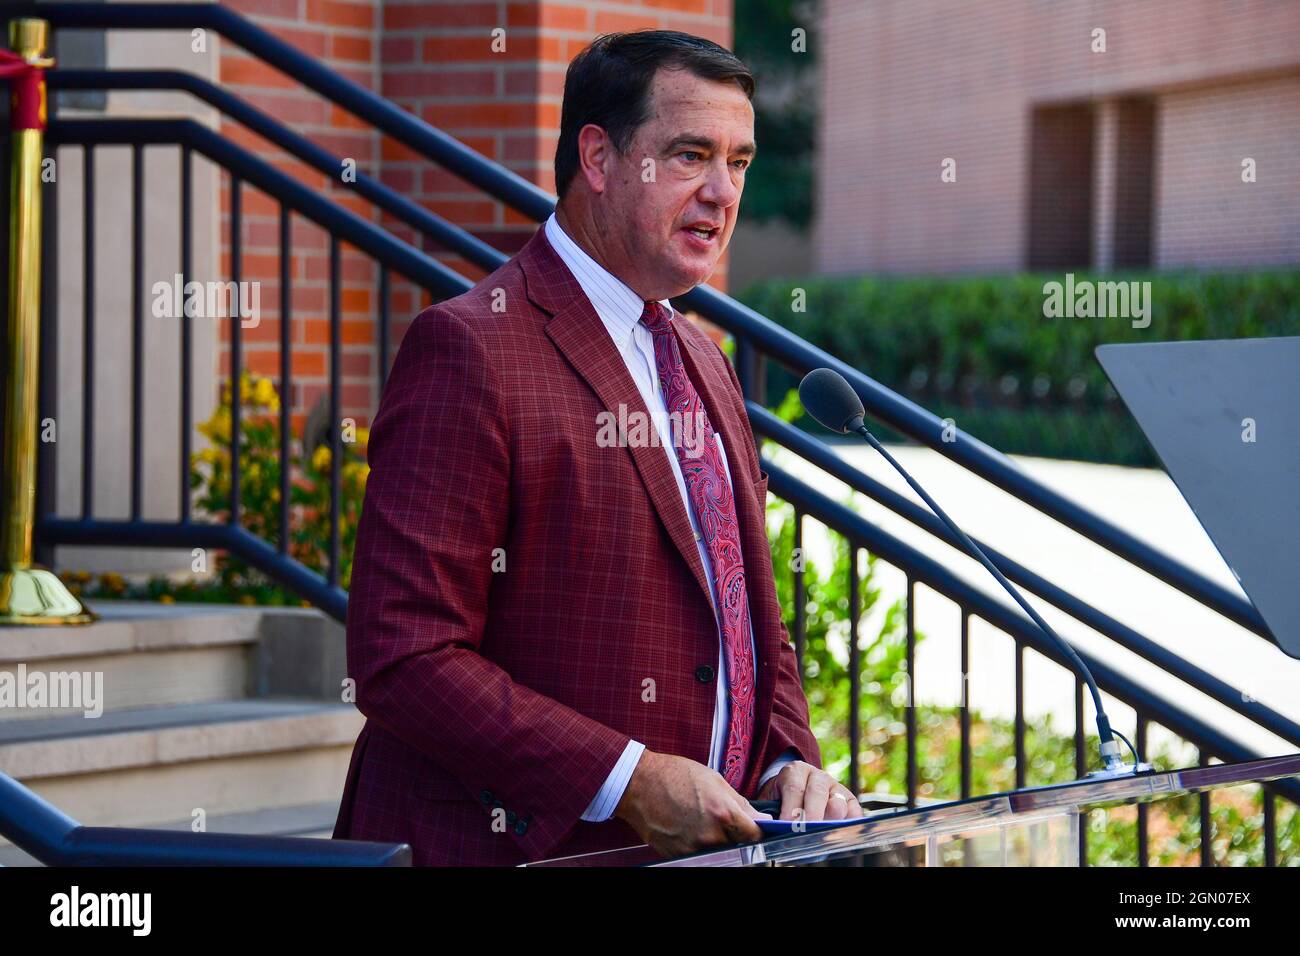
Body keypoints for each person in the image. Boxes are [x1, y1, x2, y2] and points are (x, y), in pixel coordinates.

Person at [333, 29, 855, 867]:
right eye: (690, 155)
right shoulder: (470, 348)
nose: (723, 192)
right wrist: (628, 780)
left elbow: (746, 612)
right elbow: (405, 655)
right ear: (599, 158)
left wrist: (787, 760)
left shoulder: (706, 361)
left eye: (739, 162)